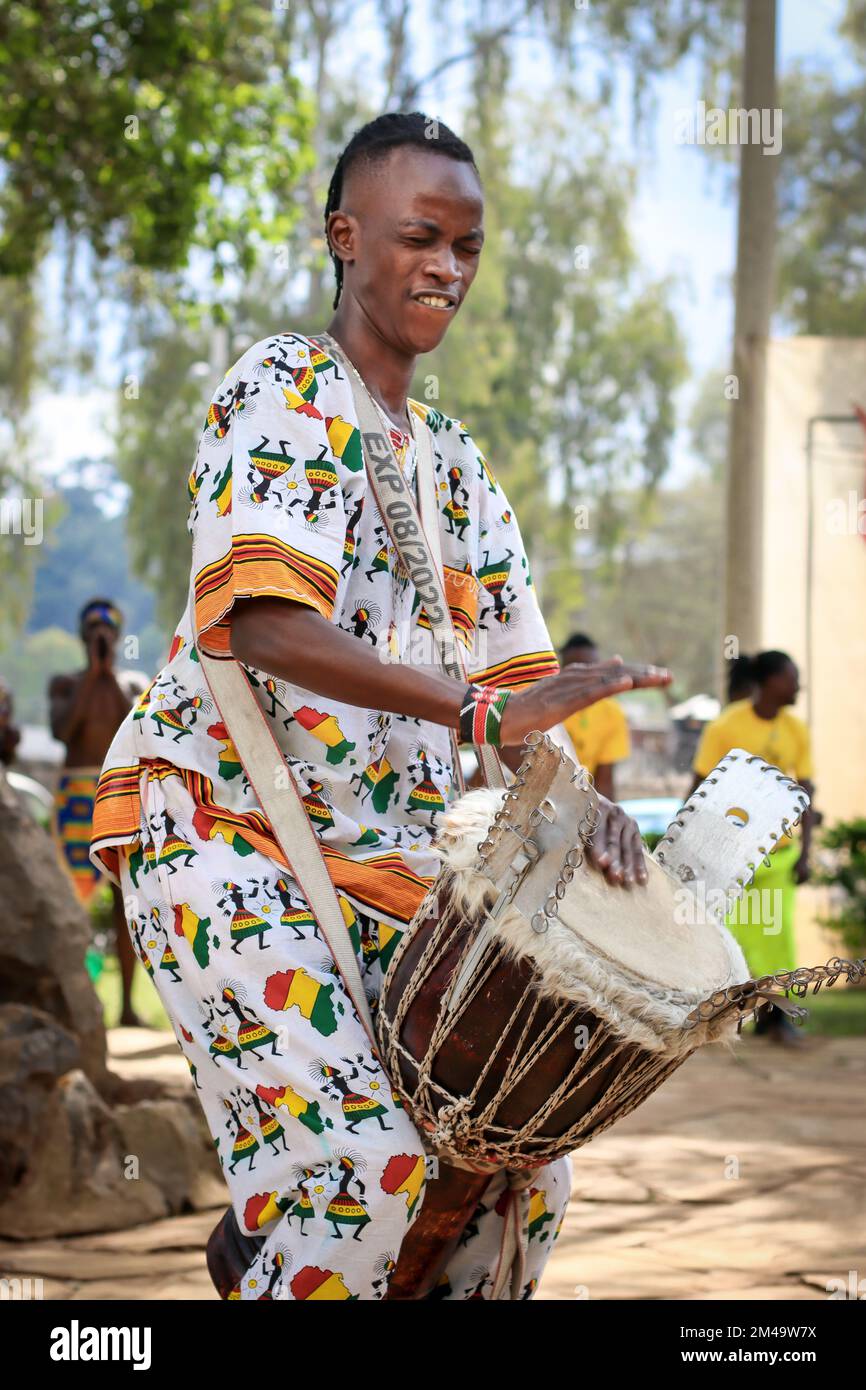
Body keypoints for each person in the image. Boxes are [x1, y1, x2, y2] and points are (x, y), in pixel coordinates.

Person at [89, 110, 670, 1301]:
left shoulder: (460, 471)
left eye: (466, 245)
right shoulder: (283, 389)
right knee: (359, 1168)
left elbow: (519, 699)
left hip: (379, 868)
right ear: (344, 237)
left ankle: (270, 1262)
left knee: (519, 1176)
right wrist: (471, 716)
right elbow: (259, 622)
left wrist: (582, 811)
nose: (445, 269)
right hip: (217, 831)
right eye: (419, 237)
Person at [689, 651, 814, 1046]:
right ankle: (731, 1016)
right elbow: (699, 786)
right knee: (734, 936)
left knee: (776, 935)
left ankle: (777, 1016)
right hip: (730, 854)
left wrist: (807, 853)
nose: (797, 686)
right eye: (791, 678)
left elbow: (806, 794)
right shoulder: (726, 726)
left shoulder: (797, 729)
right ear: (770, 681)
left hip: (777, 854)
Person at [49, 598, 148, 1027]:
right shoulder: (66, 684)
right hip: (75, 798)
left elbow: (139, 732)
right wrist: (92, 674)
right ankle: (77, 1008)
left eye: (108, 630)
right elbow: (62, 730)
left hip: (118, 792)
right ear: (82, 636)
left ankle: (127, 1007)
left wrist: (108, 676)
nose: (101, 636)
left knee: (124, 902)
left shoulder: (132, 684)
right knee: (72, 904)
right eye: (93, 629)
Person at [560, 633, 631, 800]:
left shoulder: (611, 713)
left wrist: (605, 820)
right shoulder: (542, 705)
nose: (583, 675)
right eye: (575, 668)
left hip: (579, 803)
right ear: (562, 668)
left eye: (590, 668)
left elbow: (605, 781)